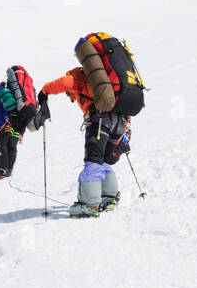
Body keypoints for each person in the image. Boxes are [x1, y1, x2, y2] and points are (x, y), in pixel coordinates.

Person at [38, 67, 130, 216]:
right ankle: (109, 197)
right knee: (103, 160)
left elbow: (66, 83)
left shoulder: (80, 77)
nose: (70, 96)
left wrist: (44, 91)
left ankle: (89, 204)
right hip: (119, 121)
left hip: (100, 120)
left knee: (93, 160)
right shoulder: (107, 78)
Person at [0, 78, 37, 179]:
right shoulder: (12, 92)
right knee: (12, 145)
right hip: (20, 123)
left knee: (2, 143)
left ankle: (1, 168)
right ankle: (8, 169)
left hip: (8, 121)